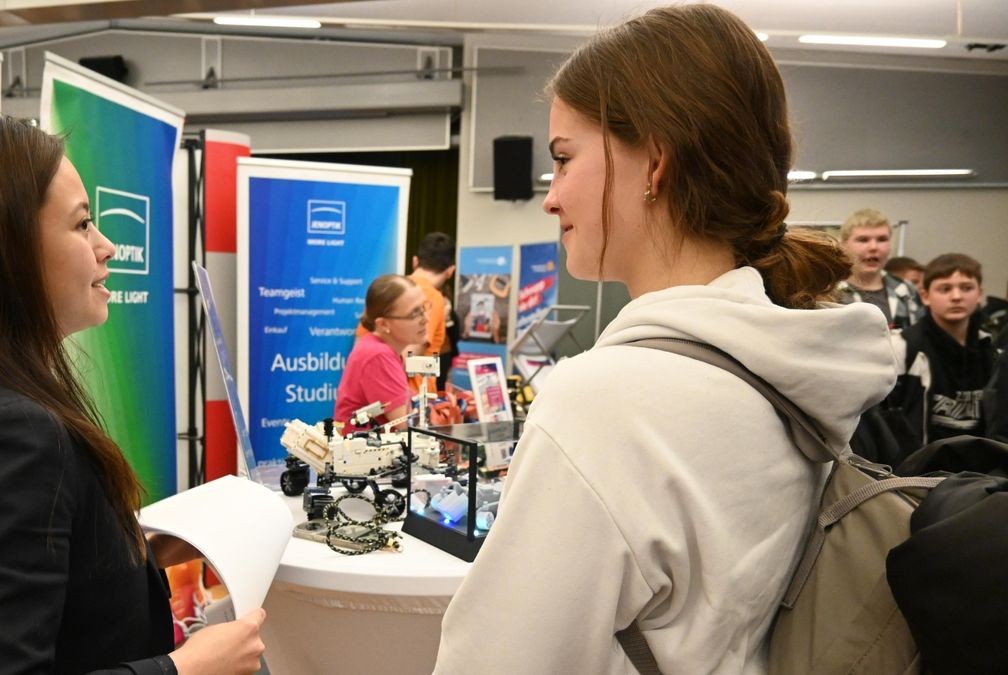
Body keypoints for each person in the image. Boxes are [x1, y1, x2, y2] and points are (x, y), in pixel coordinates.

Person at [434, 5, 897, 673]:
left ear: (654, 162)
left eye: (565, 159)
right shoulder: (790, 367)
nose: (551, 196)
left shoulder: (606, 403)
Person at [0, 113, 265, 675]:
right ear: (0, 248)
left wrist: (133, 548)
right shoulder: (6, 434)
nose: (107, 247)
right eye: (82, 225)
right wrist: (186, 669)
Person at [893, 253, 1000, 445]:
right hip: (920, 469)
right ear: (925, 296)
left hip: (982, 469)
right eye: (945, 289)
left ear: (979, 295)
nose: (956, 297)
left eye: (967, 288)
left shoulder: (991, 351)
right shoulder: (903, 346)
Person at [355, 233, 456, 392]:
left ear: (415, 261)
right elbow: (411, 355)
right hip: (408, 399)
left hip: (374, 396)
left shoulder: (388, 290)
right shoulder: (431, 299)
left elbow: (360, 346)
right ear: (451, 271)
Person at [334, 274, 429, 432]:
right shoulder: (379, 355)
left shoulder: (379, 348)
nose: (425, 319)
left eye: (423, 308)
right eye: (414, 313)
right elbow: (408, 424)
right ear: (383, 324)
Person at [835, 208, 925, 330]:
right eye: (863, 240)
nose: (873, 247)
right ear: (844, 245)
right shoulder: (830, 292)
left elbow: (920, 335)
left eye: (882, 239)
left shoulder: (906, 290)